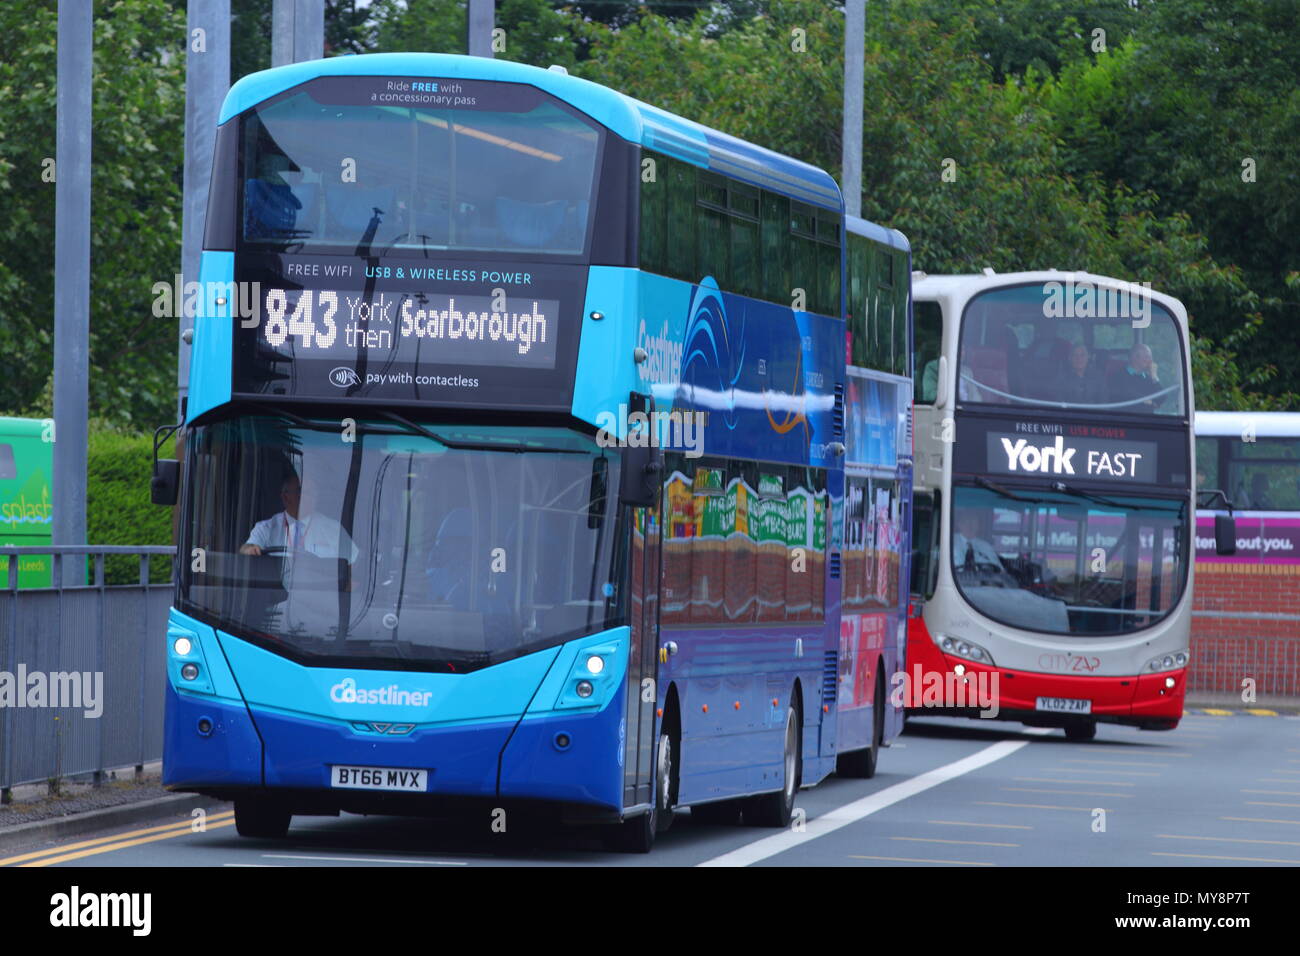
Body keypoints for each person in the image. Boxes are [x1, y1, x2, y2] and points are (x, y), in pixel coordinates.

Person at [240, 473, 359, 564]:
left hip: (322, 593)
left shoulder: (333, 528)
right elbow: (247, 548)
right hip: (275, 592)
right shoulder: (266, 528)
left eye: (313, 492)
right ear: (285, 497)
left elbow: (355, 561)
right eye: (302, 491)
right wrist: (249, 550)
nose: (311, 496)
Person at [1106, 343, 1165, 410]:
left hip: (1148, 419)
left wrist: (1154, 376)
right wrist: (1149, 402)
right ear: (1135, 358)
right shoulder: (1118, 376)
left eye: (1150, 357)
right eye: (1147, 357)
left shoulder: (1149, 379)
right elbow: (1126, 395)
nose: (1150, 361)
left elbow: (1161, 398)